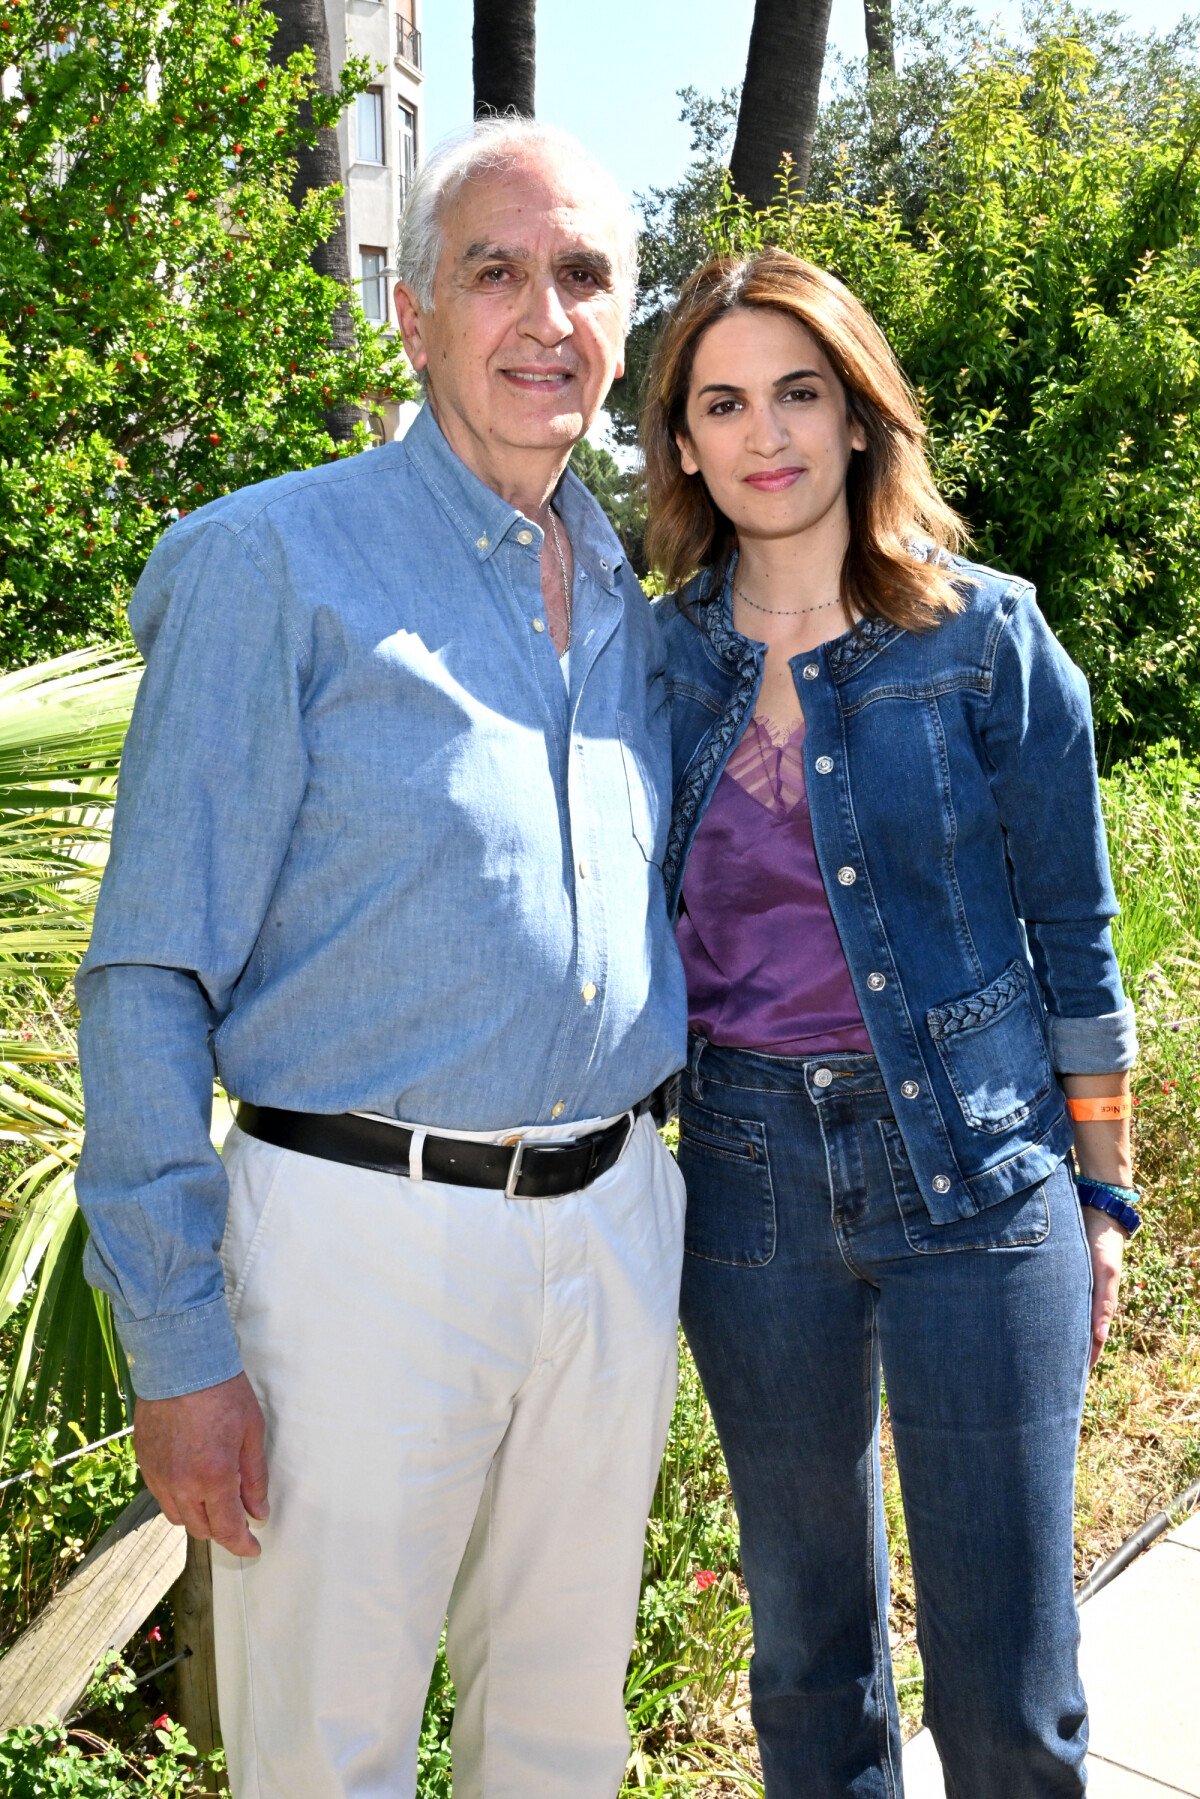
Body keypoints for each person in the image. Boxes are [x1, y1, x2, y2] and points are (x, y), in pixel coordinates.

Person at [73, 120, 688, 1799]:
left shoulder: (640, 594)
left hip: (617, 1225)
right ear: (412, 317)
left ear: (626, 323)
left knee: (561, 1739)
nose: (542, 314)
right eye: (493, 270)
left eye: (582, 276)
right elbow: (145, 976)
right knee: (327, 1754)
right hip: (359, 1247)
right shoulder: (271, 563)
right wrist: (182, 1346)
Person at [643, 249, 1140, 1799]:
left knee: (1005, 1690)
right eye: (723, 402)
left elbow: (1075, 926)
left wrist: (1105, 1186)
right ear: (680, 445)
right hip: (746, 1180)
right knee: (805, 1662)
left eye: (799, 392)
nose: (765, 433)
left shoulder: (984, 637)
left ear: (861, 420)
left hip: (982, 1176)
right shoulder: (650, 662)